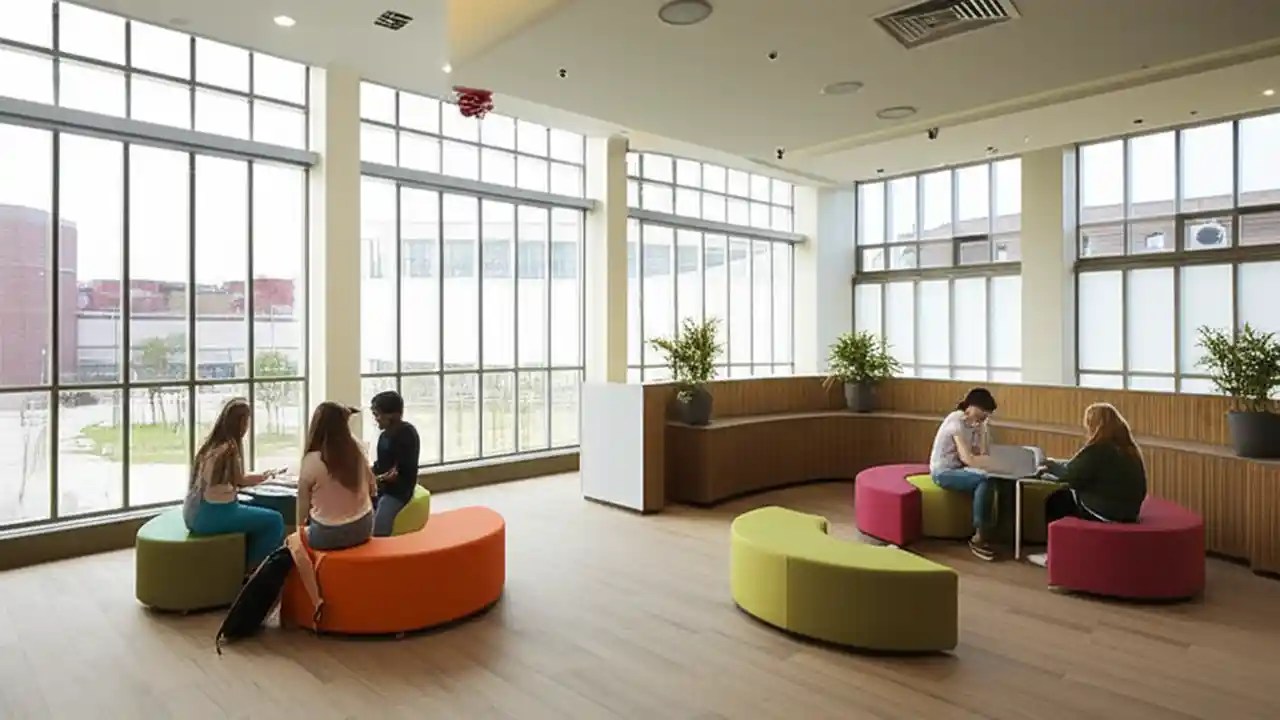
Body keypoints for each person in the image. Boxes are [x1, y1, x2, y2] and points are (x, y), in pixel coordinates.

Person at [184, 398, 287, 572]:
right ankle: (254, 569)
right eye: (247, 421)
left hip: (193, 512)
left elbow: (234, 481)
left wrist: (262, 476)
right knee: (275, 520)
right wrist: (266, 477)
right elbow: (240, 481)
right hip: (211, 515)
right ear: (240, 423)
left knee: (254, 509)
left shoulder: (210, 446)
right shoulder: (228, 450)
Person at [1038, 402, 1148, 526]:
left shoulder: (1099, 449)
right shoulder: (1130, 450)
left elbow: (1071, 476)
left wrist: (1050, 466)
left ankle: (1058, 542)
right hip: (1130, 513)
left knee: (1056, 501)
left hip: (1106, 512)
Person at [929, 387, 1000, 560]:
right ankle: (979, 536)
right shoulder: (956, 420)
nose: (985, 415)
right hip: (943, 471)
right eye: (984, 411)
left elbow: (983, 454)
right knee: (984, 481)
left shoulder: (975, 425)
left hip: (960, 469)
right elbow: (968, 458)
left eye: (988, 413)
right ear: (973, 406)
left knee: (998, 480)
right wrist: (992, 465)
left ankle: (1001, 529)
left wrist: (982, 431)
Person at [295, 402, 378, 551]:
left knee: (293, 543)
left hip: (327, 535)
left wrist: (299, 530)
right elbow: (373, 488)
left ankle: (310, 575)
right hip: (363, 528)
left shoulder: (311, 460)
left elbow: (303, 508)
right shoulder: (358, 451)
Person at [369, 390, 421, 537]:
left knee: (380, 527)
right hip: (384, 486)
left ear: (392, 415)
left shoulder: (407, 434)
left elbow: (397, 473)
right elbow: (381, 466)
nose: (376, 419)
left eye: (378, 415)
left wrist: (377, 478)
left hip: (398, 491)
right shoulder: (384, 436)